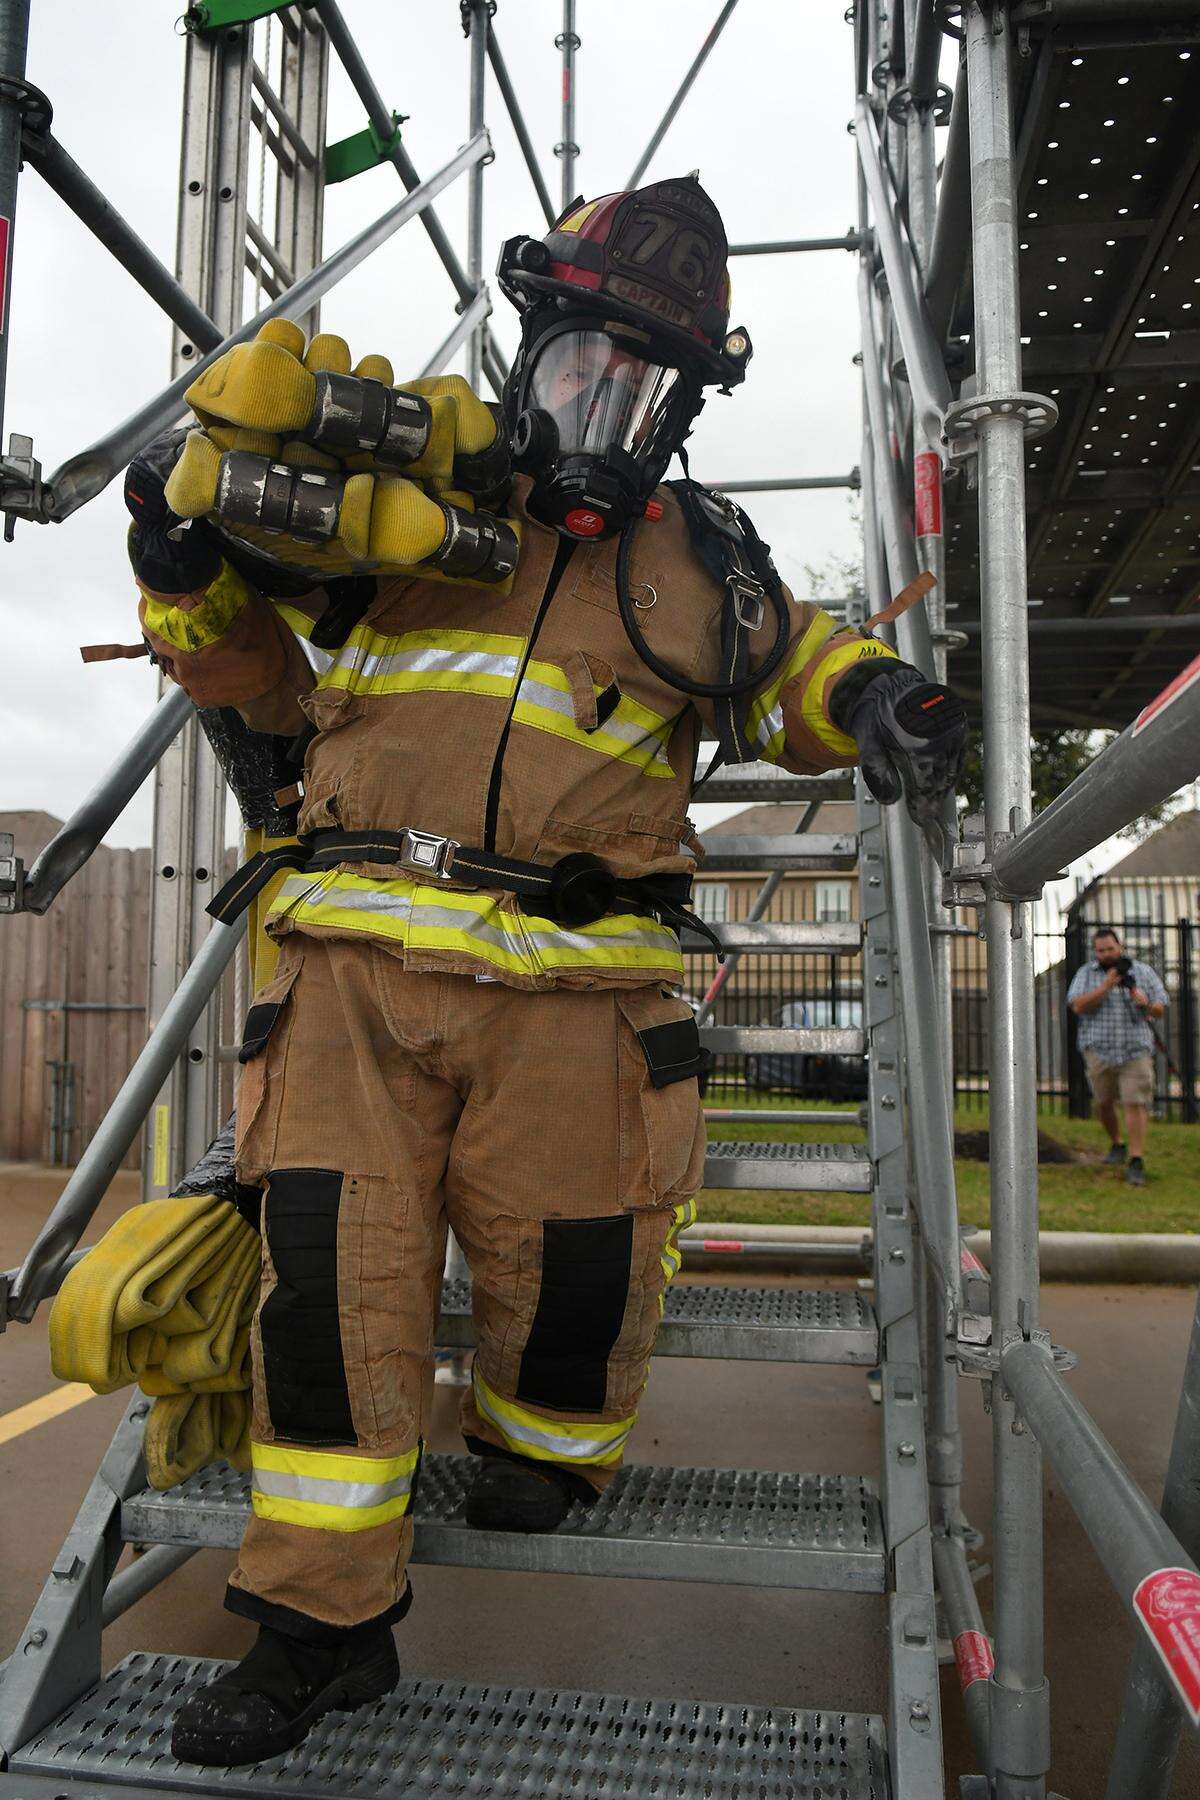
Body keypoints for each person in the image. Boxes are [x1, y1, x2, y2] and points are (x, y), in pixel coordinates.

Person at [120, 175, 969, 1766]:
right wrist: (176, 554)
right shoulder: (400, 510)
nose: (604, 404)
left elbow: (802, 660)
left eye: (641, 383)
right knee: (331, 1303)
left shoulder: (705, 555)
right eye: (583, 361)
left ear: (685, 401)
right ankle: (316, 1626)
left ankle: (548, 1449)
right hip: (358, 982)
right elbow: (239, 660)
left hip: (583, 998)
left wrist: (882, 707)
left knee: (575, 1273)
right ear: (533, 343)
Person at [1067, 925, 1168, 1186]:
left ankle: (1136, 1159)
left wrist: (1143, 1001)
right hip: (1099, 1049)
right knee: (1104, 1103)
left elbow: (1160, 1008)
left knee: (1135, 1102)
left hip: (1135, 1049)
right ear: (1096, 952)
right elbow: (1077, 1005)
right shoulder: (1087, 973)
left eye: (1110, 949)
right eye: (1101, 951)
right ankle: (1117, 1143)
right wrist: (1106, 986)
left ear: (1120, 947)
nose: (1106, 954)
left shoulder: (1142, 972)